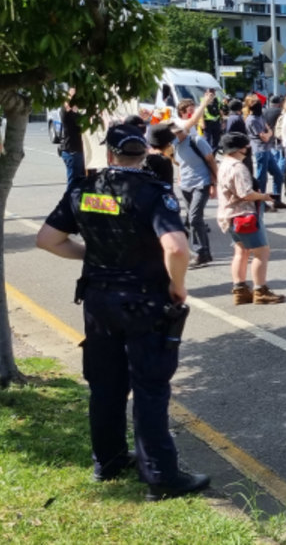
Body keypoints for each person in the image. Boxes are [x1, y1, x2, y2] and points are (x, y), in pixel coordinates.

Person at [35, 122, 210, 500]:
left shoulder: (84, 189)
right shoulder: (154, 192)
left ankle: (109, 460)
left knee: (105, 386)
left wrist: (92, 257)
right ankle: (161, 476)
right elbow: (177, 249)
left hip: (99, 300)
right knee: (149, 389)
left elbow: (47, 239)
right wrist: (177, 286)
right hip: (144, 302)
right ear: (144, 153)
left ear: (110, 154)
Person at [216, 132, 284, 305]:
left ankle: (239, 289)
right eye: (246, 146)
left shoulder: (223, 163)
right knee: (261, 252)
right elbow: (245, 193)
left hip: (229, 215)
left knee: (241, 252)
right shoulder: (237, 167)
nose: (248, 148)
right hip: (243, 215)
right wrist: (264, 197)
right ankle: (260, 290)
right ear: (240, 148)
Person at [172, 116, 219, 268]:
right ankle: (204, 253)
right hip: (185, 185)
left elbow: (211, 161)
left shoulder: (196, 141)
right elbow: (180, 163)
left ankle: (201, 252)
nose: (175, 135)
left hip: (201, 183)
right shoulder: (174, 145)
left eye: (177, 132)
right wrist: (180, 178)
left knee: (194, 218)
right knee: (193, 219)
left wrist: (214, 183)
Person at [246, 95, 286, 212]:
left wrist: (269, 133)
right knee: (262, 178)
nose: (259, 106)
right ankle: (261, 203)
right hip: (260, 150)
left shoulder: (260, 116)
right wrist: (269, 133)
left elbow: (268, 130)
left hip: (267, 149)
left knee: (278, 174)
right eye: (256, 104)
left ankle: (276, 199)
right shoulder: (252, 119)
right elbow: (265, 137)